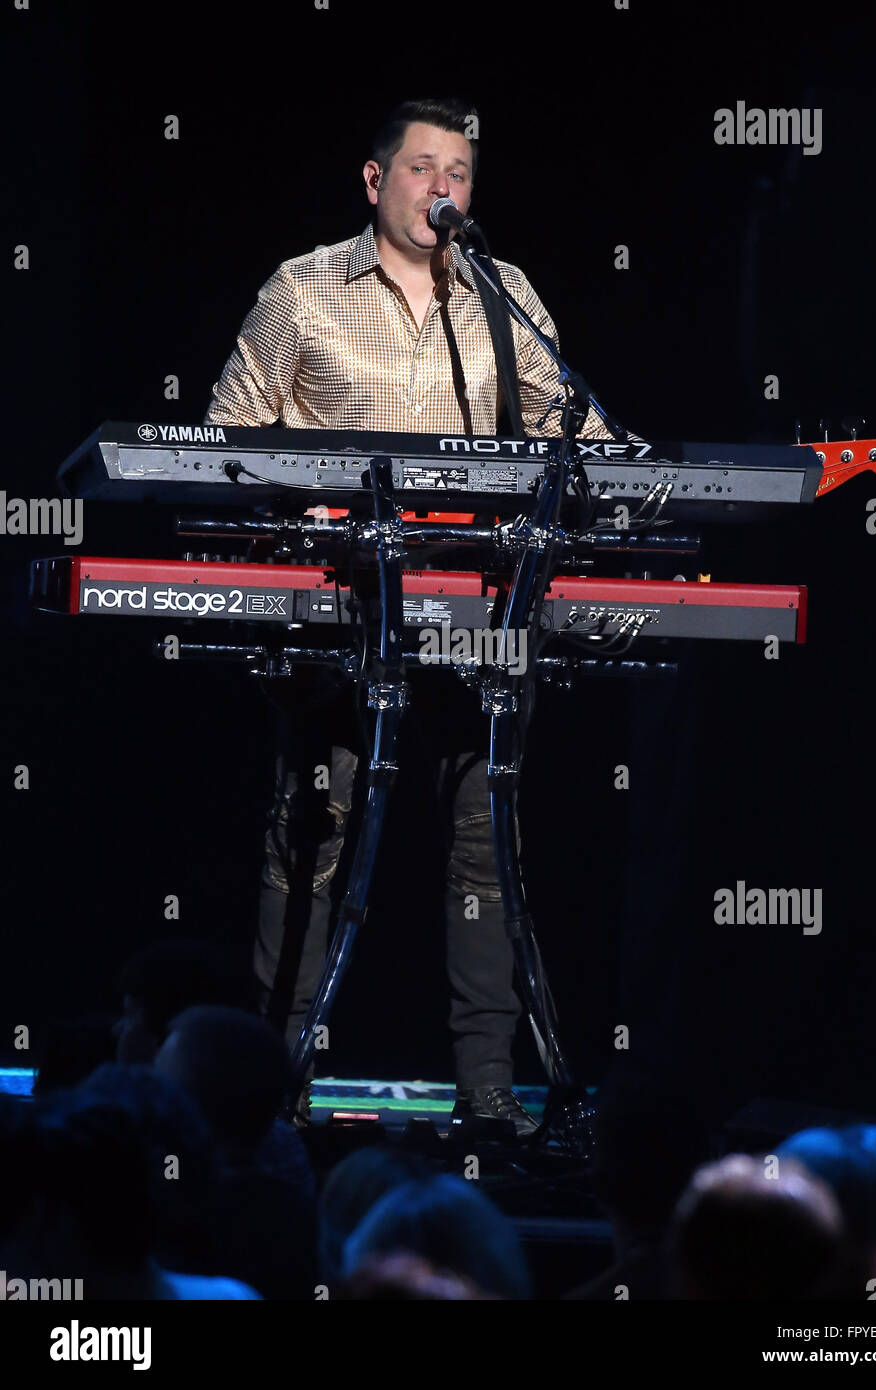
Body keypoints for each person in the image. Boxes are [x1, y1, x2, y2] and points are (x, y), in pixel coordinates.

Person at [204, 97, 625, 1136]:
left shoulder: (499, 292)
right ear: (374, 179)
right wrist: (305, 501)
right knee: (314, 834)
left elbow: (570, 431)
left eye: (461, 172)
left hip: (479, 608)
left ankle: (487, 1094)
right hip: (341, 608)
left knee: (487, 846)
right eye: (423, 166)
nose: (444, 187)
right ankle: (277, 1087)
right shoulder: (301, 289)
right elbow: (223, 438)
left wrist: (626, 468)